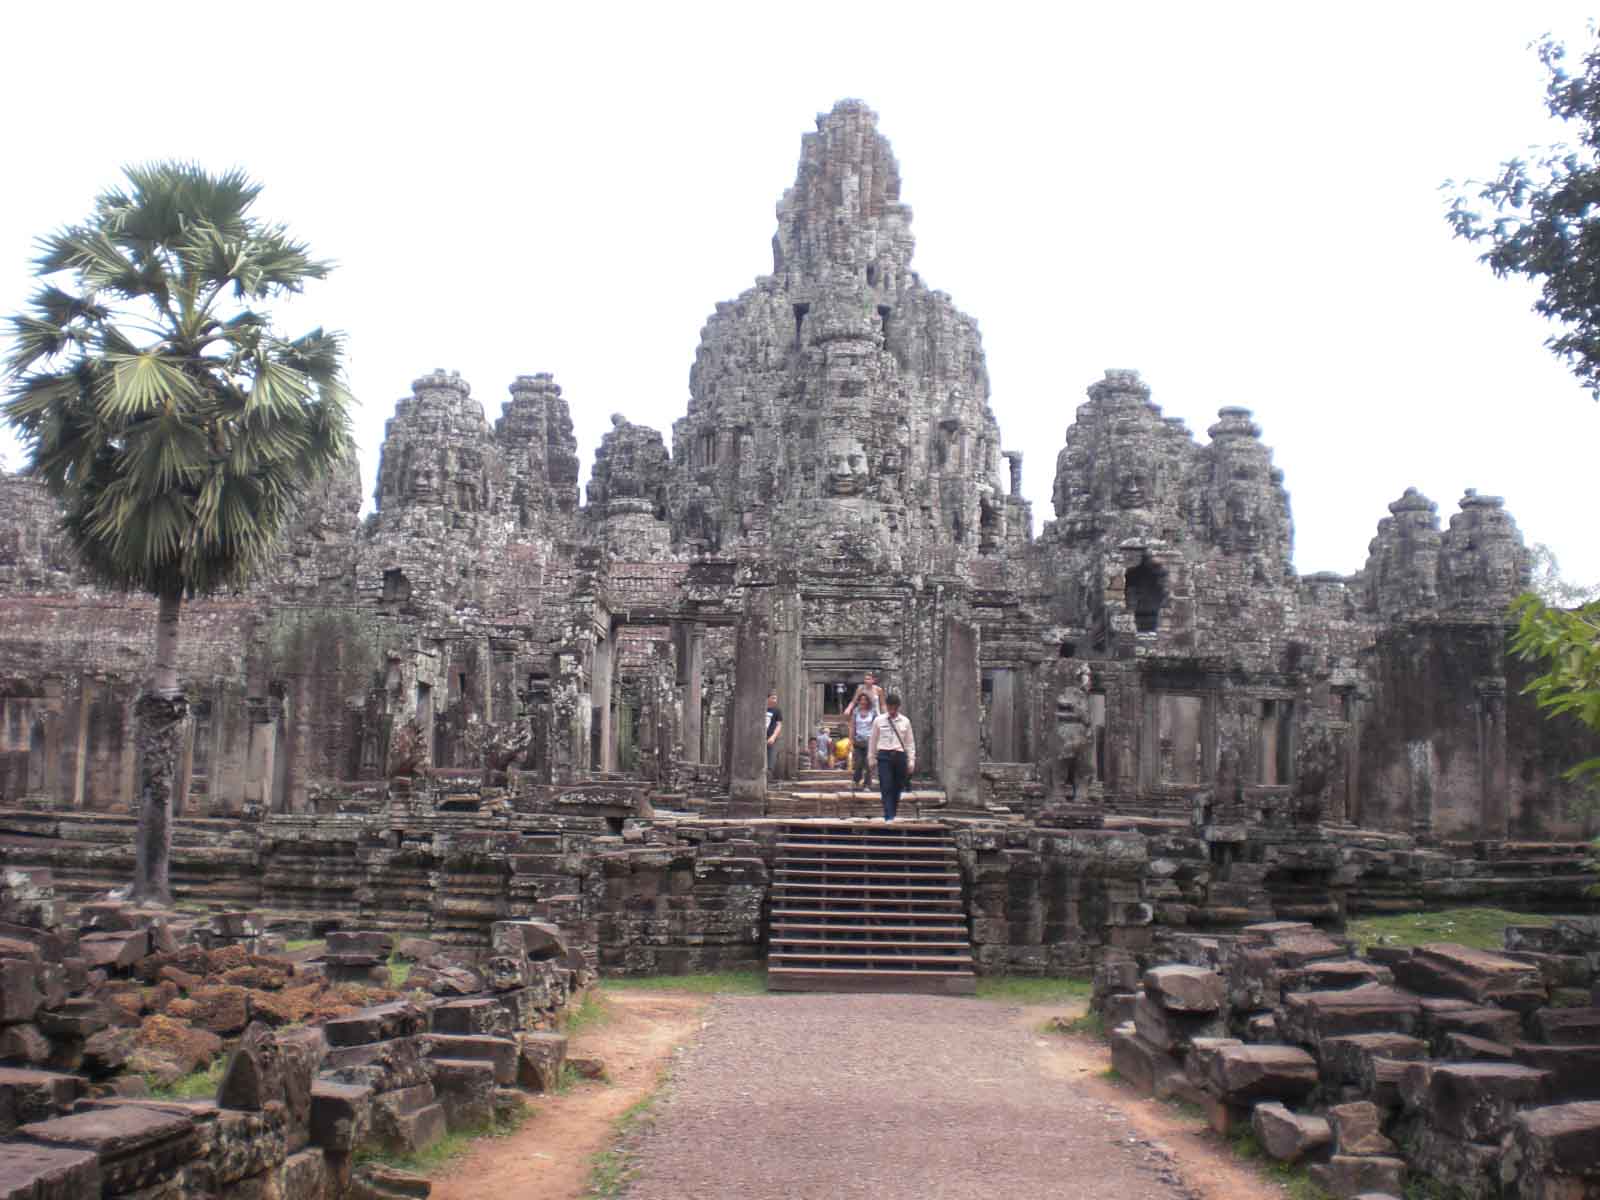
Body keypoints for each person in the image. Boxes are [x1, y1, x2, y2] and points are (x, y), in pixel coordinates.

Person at [866, 692, 915, 821]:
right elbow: (873, 740)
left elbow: (910, 743)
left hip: (900, 755)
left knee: (897, 786)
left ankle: (892, 811)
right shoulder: (879, 720)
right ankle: (888, 815)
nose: (892, 710)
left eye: (894, 707)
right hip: (884, 755)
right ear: (886, 707)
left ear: (899, 707)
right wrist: (871, 758)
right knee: (886, 785)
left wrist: (911, 761)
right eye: (890, 707)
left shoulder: (905, 721)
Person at [849, 684, 879, 790]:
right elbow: (852, 726)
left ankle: (867, 784)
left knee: (868, 764)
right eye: (861, 700)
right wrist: (850, 740)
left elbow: (876, 726)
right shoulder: (856, 711)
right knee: (858, 763)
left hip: (869, 741)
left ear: (868, 701)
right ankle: (856, 781)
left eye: (865, 700)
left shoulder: (873, 712)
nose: (863, 702)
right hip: (858, 741)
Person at [764, 692, 782, 776]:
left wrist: (773, 737)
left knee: (770, 759)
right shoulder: (760, 708)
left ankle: (769, 776)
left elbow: (779, 725)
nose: (775, 700)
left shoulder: (777, 710)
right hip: (759, 736)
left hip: (770, 737)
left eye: (776, 698)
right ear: (767, 698)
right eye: (773, 698)